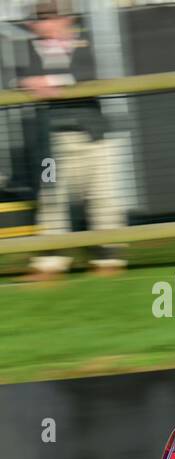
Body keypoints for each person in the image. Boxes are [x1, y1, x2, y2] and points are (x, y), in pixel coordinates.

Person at [16, 0, 124, 276]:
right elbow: (21, 80)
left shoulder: (84, 43)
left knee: (102, 196)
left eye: (51, 17)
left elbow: (87, 76)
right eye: (40, 19)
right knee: (52, 196)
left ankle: (108, 258)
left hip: (93, 136)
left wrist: (49, 84)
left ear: (67, 20)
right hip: (52, 141)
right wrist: (42, 83)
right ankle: (52, 259)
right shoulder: (26, 49)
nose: (45, 24)